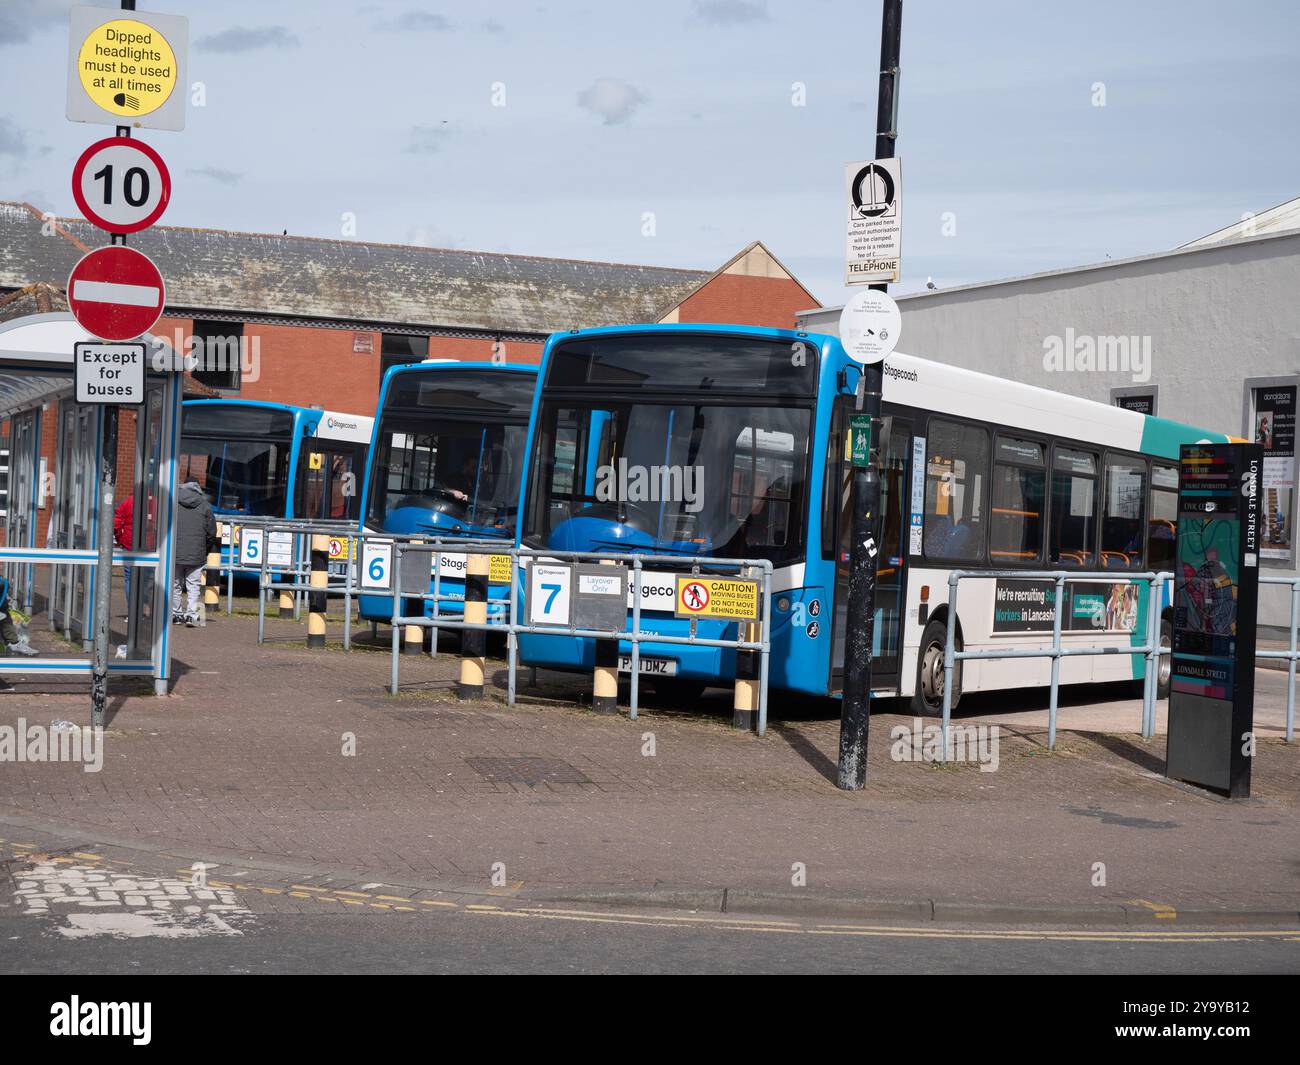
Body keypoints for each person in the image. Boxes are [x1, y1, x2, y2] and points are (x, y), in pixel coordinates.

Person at [173, 479, 217, 627]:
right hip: (197, 553)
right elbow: (211, 532)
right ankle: (192, 615)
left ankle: (176, 614)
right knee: (194, 585)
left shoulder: (173, 503)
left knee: (175, 584)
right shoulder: (205, 506)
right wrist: (206, 548)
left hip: (175, 552)